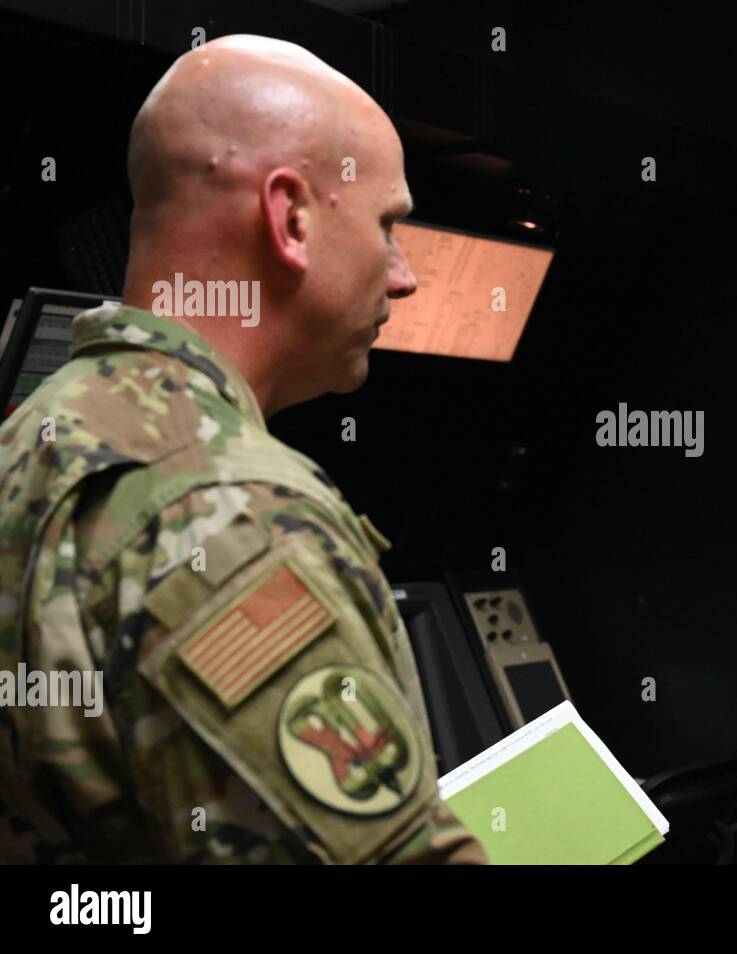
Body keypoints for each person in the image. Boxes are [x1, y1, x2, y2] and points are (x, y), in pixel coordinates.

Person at [0, 35, 486, 864]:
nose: (404, 275)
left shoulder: (33, 435)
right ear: (291, 215)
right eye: (388, 225)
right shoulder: (234, 514)